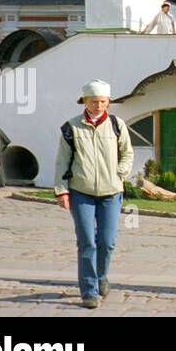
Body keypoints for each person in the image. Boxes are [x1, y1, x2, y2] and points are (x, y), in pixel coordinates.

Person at [54, 80, 133, 309]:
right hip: (82, 192)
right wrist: (61, 190)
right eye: (94, 101)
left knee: (107, 242)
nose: (98, 105)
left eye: (103, 101)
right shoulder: (71, 127)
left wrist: (120, 172)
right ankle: (89, 291)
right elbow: (62, 162)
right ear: (85, 102)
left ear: (108, 102)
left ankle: (101, 276)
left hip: (112, 192)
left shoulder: (117, 125)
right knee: (87, 241)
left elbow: (127, 153)